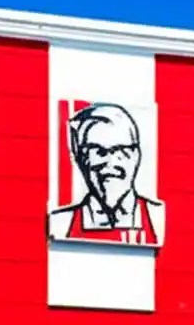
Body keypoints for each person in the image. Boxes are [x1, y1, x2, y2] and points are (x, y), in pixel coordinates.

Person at [48, 102, 165, 246]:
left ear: (136, 156)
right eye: (97, 151)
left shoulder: (157, 217)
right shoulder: (61, 224)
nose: (110, 163)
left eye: (121, 151)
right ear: (80, 159)